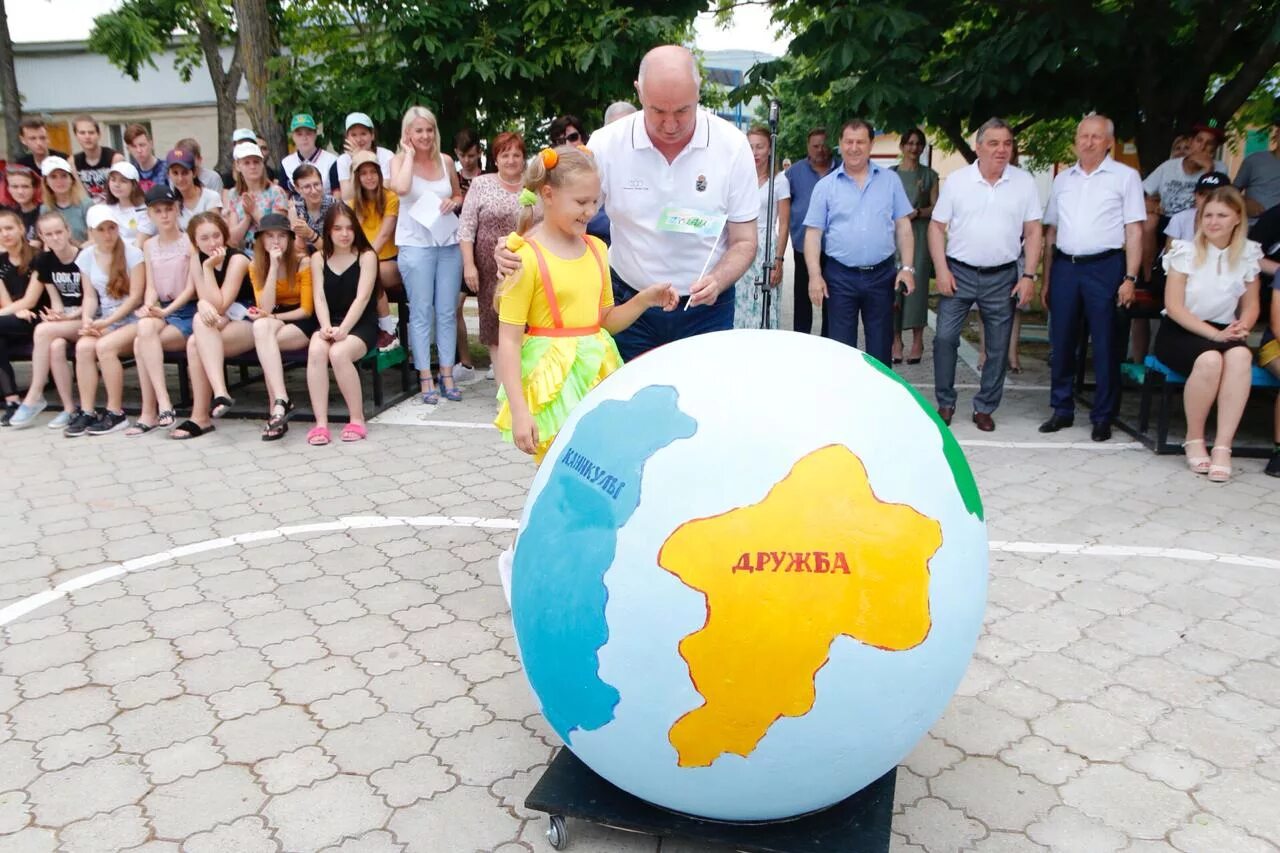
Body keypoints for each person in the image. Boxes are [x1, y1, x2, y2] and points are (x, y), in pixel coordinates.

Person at [502, 46, 757, 361]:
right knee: (630, 402)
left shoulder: (732, 146)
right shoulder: (608, 143)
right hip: (629, 303)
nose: (670, 125)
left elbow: (744, 241)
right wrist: (523, 247)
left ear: (699, 90)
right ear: (638, 92)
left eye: (682, 111)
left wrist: (718, 280)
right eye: (657, 111)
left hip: (705, 307)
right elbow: (564, 215)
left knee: (701, 404)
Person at [495, 145, 677, 462]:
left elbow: (605, 320)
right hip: (554, 383)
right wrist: (520, 411)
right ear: (548, 194)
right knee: (557, 469)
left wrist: (644, 299)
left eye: (595, 201)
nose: (590, 211)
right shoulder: (524, 257)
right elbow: (508, 341)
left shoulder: (596, 249)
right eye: (580, 202)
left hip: (597, 372)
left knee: (601, 466)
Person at [929, 117, 1043, 431]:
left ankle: (985, 407)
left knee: (997, 346)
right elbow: (937, 227)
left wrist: (1029, 275)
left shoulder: (1024, 182)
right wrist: (941, 269)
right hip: (959, 272)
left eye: (1007, 143)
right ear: (978, 147)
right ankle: (945, 402)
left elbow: (1033, 232)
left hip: (1003, 276)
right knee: (944, 338)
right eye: (993, 143)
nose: (1001, 150)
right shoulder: (957, 181)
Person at [1039, 115, 1145, 442]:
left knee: (1105, 343)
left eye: (1095, 137)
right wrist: (1047, 278)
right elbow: (1052, 231)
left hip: (1106, 266)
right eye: (1083, 136)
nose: (1088, 142)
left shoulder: (1126, 177)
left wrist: (1130, 277)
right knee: (1062, 340)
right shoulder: (1063, 180)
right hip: (1066, 267)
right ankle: (1062, 408)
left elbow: (1134, 230)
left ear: (1109, 142)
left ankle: (1103, 415)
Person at [1155, 187, 1261, 483]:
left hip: (1225, 329)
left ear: (1237, 218)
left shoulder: (1248, 254)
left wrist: (1243, 327)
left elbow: (1251, 306)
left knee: (1240, 356)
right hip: (1182, 330)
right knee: (1211, 361)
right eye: (1208, 215)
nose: (1213, 221)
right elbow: (1173, 307)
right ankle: (1195, 438)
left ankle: (1223, 446)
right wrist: (1213, 336)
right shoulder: (1184, 252)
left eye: (1222, 215)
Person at [804, 119, 914, 365]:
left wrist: (907, 268)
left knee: (881, 348)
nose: (854, 148)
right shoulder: (825, 187)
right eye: (849, 142)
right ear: (840, 145)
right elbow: (813, 234)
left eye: (860, 142)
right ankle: (845, 401)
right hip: (840, 278)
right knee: (842, 351)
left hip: (882, 277)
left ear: (871, 144)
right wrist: (814, 275)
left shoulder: (890, 181)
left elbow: (904, 227)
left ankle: (879, 401)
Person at [390, 106, 465, 403]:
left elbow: (458, 194)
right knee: (421, 312)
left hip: (447, 241)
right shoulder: (398, 161)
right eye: (418, 130)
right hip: (415, 245)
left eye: (429, 129)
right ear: (408, 133)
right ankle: (425, 376)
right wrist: (409, 155)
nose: (425, 135)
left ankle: (446, 373)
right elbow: (402, 188)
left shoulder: (445, 161)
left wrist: (452, 202)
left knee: (446, 311)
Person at [65, 205, 146, 437]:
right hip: (106, 318)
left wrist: (107, 321)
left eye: (112, 228)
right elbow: (90, 296)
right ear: (92, 232)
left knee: (105, 347)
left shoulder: (132, 253)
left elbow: (135, 297)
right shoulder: (86, 256)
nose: (108, 234)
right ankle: (88, 410)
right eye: (101, 229)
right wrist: (88, 319)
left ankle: (115, 411)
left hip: (132, 318)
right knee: (83, 347)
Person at [171, 212, 253, 439]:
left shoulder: (238, 259)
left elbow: (221, 303)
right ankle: (215, 398)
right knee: (196, 338)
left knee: (196, 343)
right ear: (195, 241)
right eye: (204, 238)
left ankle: (203, 414)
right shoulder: (197, 259)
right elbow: (207, 303)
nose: (212, 243)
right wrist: (205, 305)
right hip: (221, 321)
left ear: (225, 235)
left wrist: (208, 270)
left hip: (248, 319)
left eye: (216, 236)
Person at [304, 204, 380, 445]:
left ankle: (356, 418)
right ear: (328, 231)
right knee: (316, 349)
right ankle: (321, 424)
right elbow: (319, 296)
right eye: (337, 229)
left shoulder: (367, 256)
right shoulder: (318, 258)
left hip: (359, 324)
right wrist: (326, 326)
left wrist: (344, 329)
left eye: (349, 228)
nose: (344, 234)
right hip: (330, 321)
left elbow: (363, 297)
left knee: (338, 353)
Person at [125, 185, 195, 436]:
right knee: (144, 328)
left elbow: (190, 287)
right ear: (150, 215)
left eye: (168, 209)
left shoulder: (189, 240)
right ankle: (163, 402)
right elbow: (151, 286)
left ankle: (149, 411)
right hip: (162, 308)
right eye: (158, 211)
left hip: (186, 309)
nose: (164, 215)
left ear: (177, 209)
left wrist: (166, 313)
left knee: (139, 345)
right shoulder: (150, 245)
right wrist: (150, 305)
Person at [7, 212, 86, 429]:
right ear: (42, 237)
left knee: (42, 331)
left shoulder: (84, 257)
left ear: (68, 231)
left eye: (59, 232)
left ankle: (34, 394)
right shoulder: (44, 261)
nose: (55, 238)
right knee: (56, 346)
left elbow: (92, 300)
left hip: (88, 317)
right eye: (49, 234)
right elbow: (56, 300)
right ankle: (69, 409)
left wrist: (68, 316)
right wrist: (57, 314)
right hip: (65, 321)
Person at [460, 131, 527, 377]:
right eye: (505, 154)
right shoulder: (481, 184)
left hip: (526, 269)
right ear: (496, 159)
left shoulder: (536, 185)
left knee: (526, 330)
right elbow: (466, 229)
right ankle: (502, 391)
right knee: (495, 330)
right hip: (490, 272)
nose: (511, 160)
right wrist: (469, 265)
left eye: (516, 155)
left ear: (523, 158)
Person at [249, 213, 316, 441]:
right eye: (269, 236)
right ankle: (280, 402)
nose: (276, 241)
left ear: (289, 239)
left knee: (265, 343)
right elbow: (264, 306)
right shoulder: (255, 266)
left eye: (281, 236)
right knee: (261, 332)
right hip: (273, 320)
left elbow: (306, 310)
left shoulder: (302, 262)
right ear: (261, 240)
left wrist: (274, 317)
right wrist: (272, 267)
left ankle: (276, 408)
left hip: (300, 321)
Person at [732, 126, 789, 331]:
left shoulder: (780, 181)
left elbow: (783, 224)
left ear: (770, 149)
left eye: (760, 147)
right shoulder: (738, 178)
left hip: (766, 246)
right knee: (740, 301)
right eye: (750, 147)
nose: (755, 152)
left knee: (765, 301)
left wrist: (779, 260)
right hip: (740, 242)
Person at [890, 128, 939, 364]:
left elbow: (936, 208)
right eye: (909, 143)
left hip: (919, 234)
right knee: (893, 289)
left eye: (918, 144)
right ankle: (896, 340)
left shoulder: (930, 175)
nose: (913, 148)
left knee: (916, 289)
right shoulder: (890, 174)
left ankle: (918, 340)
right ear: (901, 146)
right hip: (893, 235)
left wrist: (917, 212)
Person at [784, 128, 836, 335]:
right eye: (815, 146)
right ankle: (801, 341)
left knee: (832, 301)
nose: (820, 150)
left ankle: (829, 342)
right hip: (802, 246)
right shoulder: (794, 173)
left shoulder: (841, 170)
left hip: (834, 249)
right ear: (808, 147)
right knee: (803, 299)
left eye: (824, 145)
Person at [349, 150, 401, 351]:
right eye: (363, 173)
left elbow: (384, 235)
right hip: (363, 262)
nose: (369, 177)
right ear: (357, 178)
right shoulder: (352, 205)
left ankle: (388, 331)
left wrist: (364, 262)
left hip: (390, 260)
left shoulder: (390, 198)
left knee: (372, 275)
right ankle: (363, 329)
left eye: (373, 172)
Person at [0, 209, 42, 424]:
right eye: (0, 231)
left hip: (37, 317)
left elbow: (30, 301)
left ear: (21, 229)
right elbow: (7, 302)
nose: (5, 234)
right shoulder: (0, 261)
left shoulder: (36, 257)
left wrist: (17, 310)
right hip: (13, 318)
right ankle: (12, 400)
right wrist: (14, 311)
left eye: (9, 228)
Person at [226, 141, 288, 253]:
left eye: (256, 162)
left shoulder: (276, 192)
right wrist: (247, 218)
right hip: (244, 251)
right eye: (247, 163)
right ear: (238, 166)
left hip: (270, 251)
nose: (252, 166)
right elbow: (233, 240)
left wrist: (254, 211)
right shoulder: (234, 194)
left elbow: (277, 231)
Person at [334, 113, 395, 202]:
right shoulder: (343, 160)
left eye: (363, 134)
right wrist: (357, 160)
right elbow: (347, 196)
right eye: (353, 135)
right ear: (347, 138)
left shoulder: (386, 155)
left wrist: (362, 157)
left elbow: (385, 189)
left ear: (372, 135)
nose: (359, 139)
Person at [163, 147, 222, 227]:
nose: (180, 179)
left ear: (194, 173)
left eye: (185, 173)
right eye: (175, 173)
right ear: (168, 175)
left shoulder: (211, 197)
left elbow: (213, 229)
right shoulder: (171, 204)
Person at [281, 113, 338, 196]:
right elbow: (284, 195)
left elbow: (337, 196)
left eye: (308, 133)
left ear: (315, 135)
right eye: (299, 134)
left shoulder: (331, 161)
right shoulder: (286, 163)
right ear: (293, 137)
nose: (304, 138)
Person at [71, 115, 124, 203]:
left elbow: (120, 191)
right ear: (76, 136)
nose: (87, 137)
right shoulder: (72, 162)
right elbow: (81, 194)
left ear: (98, 135)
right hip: (89, 209)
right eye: (82, 133)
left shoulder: (115, 158)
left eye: (91, 132)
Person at [39, 157, 93, 244]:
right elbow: (47, 243)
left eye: (64, 176)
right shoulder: (45, 209)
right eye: (53, 177)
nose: (59, 181)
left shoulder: (86, 205)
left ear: (71, 179)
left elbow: (93, 239)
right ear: (46, 182)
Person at [1233, 119, 1280, 218]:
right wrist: (1243, 201)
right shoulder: (1254, 161)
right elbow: (1231, 193)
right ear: (1277, 133)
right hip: (1253, 227)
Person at [1165, 172, 1228, 243]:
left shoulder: (1231, 221)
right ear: (1195, 195)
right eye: (1202, 194)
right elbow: (1170, 252)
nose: (1207, 199)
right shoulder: (1180, 219)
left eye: (1214, 195)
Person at [289, 163, 336, 253]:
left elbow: (333, 250)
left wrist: (310, 234)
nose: (314, 191)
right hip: (306, 259)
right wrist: (300, 236)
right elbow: (298, 252)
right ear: (298, 189)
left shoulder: (333, 206)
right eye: (307, 187)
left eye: (316, 184)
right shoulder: (295, 209)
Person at [102, 162, 152, 245]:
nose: (117, 185)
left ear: (134, 185)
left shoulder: (145, 209)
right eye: (113, 180)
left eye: (123, 181)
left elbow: (139, 245)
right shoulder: (106, 209)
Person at [3, 165, 41, 247]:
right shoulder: (9, 214)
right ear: (8, 189)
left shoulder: (43, 211)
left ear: (34, 188)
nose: (20, 191)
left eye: (25, 186)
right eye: (15, 187)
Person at [124, 124, 168, 191]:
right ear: (128, 149)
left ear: (151, 144)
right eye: (134, 146)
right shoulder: (130, 173)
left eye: (142, 145)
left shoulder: (167, 169)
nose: (139, 150)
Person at [455, 129, 484, 200]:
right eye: (462, 155)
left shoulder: (488, 179)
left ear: (479, 153)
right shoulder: (452, 179)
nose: (466, 160)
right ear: (456, 152)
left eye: (471, 156)